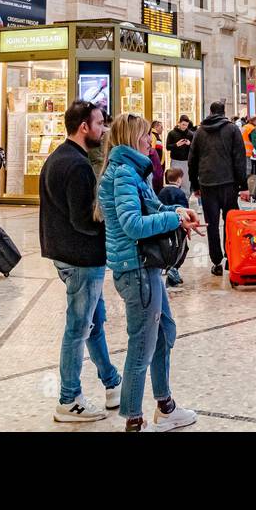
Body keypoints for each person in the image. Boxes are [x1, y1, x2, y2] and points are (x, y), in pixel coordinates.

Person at [98, 113, 202, 431]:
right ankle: (133, 419)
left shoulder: (133, 170)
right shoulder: (123, 174)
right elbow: (133, 224)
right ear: (133, 138)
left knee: (164, 333)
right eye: (146, 135)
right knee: (142, 345)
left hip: (146, 267)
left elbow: (151, 207)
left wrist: (177, 211)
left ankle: (166, 406)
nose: (151, 141)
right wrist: (173, 220)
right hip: (136, 270)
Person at [39, 100, 122, 422]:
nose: (103, 130)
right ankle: (69, 399)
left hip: (64, 252)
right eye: (99, 124)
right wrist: (111, 227)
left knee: (93, 322)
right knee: (78, 328)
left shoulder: (58, 157)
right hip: (81, 258)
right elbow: (83, 220)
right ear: (84, 127)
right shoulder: (77, 166)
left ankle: (112, 382)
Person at [187, 101, 250, 276]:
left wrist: (195, 185)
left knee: (212, 225)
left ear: (210, 111)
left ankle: (216, 263)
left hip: (207, 184)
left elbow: (192, 160)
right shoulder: (232, 129)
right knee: (230, 222)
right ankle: (231, 257)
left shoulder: (200, 131)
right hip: (228, 183)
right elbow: (239, 159)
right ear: (223, 112)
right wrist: (243, 185)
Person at [159, 168, 189, 288]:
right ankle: (174, 268)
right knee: (182, 248)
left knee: (167, 248)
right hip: (178, 227)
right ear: (179, 180)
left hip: (164, 226)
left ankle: (167, 267)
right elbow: (185, 211)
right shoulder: (180, 193)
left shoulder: (162, 192)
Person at [165, 116, 195, 195]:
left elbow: (195, 148)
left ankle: (186, 198)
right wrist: (176, 144)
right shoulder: (171, 133)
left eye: (186, 125)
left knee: (186, 182)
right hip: (175, 161)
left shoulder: (191, 134)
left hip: (186, 161)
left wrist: (190, 144)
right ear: (179, 123)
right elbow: (167, 147)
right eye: (183, 124)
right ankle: (174, 197)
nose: (184, 127)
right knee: (174, 180)